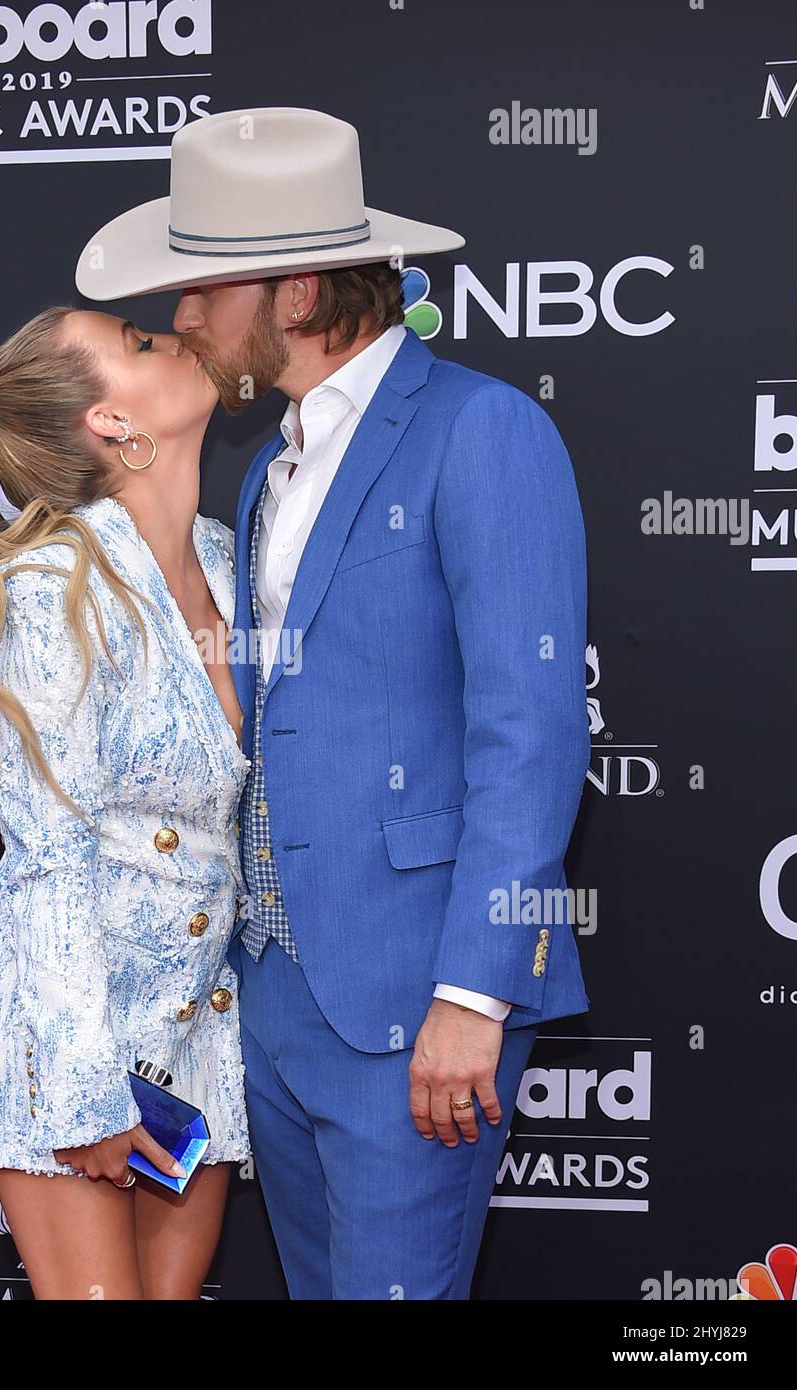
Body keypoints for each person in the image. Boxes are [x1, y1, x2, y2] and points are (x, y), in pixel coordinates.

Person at [76, 106, 591, 1299]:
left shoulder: (484, 431)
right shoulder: (266, 470)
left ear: (298, 294)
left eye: (204, 291)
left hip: (418, 1007)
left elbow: (531, 733)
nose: (183, 319)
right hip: (275, 1007)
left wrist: (473, 995)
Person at [0, 305, 253, 1299]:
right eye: (143, 345)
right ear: (112, 423)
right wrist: (83, 1095)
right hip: (63, 1040)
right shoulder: (46, 587)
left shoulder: (230, 560)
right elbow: (50, 860)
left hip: (190, 1030)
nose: (180, 336)